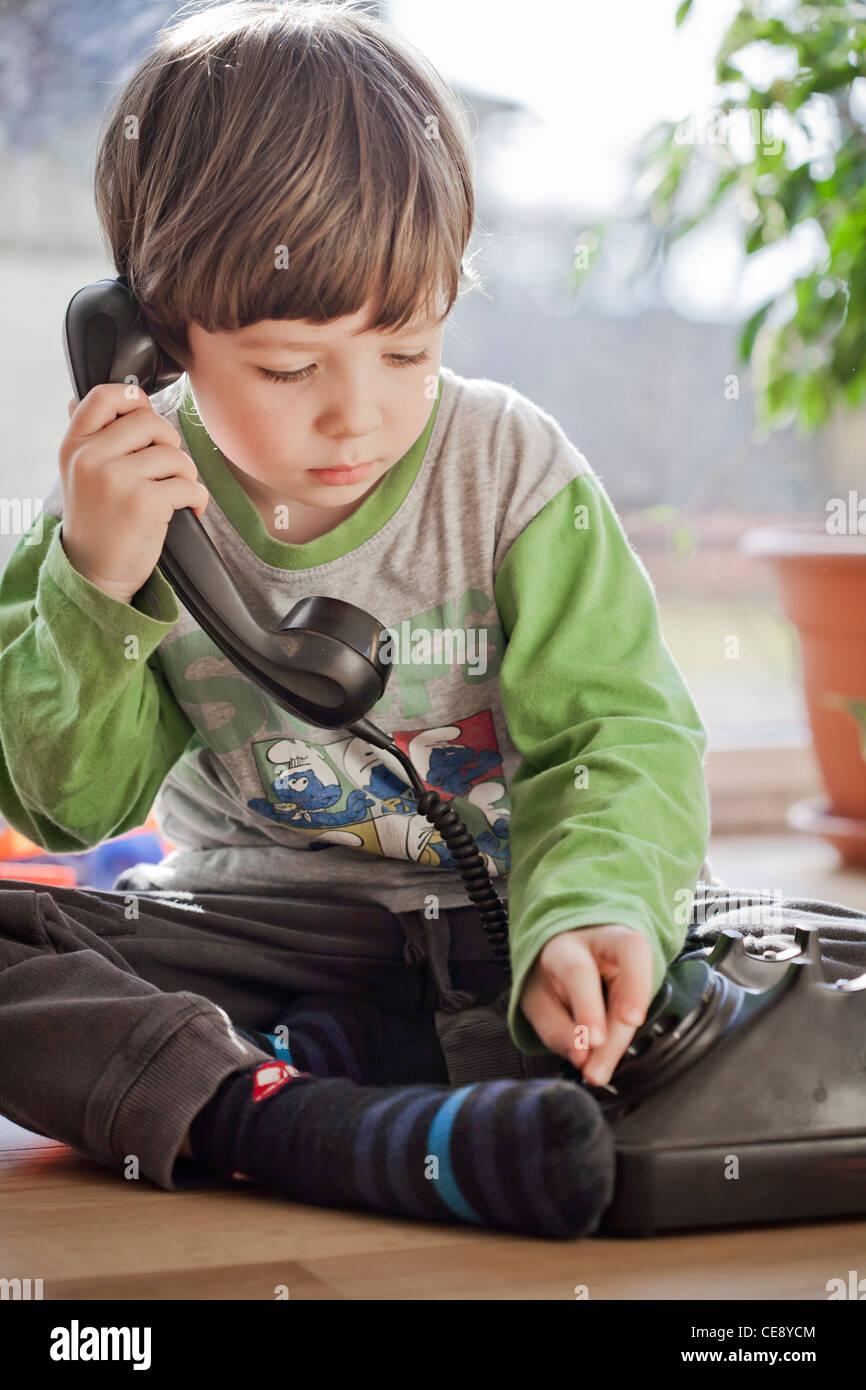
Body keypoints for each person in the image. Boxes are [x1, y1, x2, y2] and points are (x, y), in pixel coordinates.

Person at [0, 0, 737, 1239]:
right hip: (268, 926)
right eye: (290, 369)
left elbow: (619, 738)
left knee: (751, 978)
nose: (357, 416)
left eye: (406, 347)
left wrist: (596, 909)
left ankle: (311, 1079)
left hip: (511, 912)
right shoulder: (114, 504)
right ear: (157, 335)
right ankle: (296, 1116)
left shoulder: (510, 471)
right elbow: (64, 807)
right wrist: (98, 583)